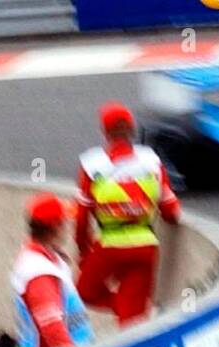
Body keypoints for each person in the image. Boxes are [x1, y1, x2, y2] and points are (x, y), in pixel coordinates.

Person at [75, 101, 181, 326]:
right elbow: (171, 211)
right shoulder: (151, 161)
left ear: (104, 132)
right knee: (133, 318)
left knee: (84, 292)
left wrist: (84, 253)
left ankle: (123, 307)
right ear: (132, 129)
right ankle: (128, 311)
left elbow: (81, 218)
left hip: (108, 247)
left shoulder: (92, 165)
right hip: (145, 247)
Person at [10, 193, 93, 347]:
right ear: (55, 228)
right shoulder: (39, 273)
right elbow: (53, 329)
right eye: (64, 222)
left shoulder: (43, 257)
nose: (67, 227)